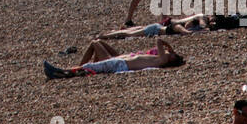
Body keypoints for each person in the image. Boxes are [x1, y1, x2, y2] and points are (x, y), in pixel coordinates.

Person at [43, 38, 185, 77]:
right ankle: (68, 71)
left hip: (121, 64)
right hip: (121, 62)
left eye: (172, 53)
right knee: (92, 66)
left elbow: (159, 41)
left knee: (90, 65)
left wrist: (169, 48)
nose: (169, 52)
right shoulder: (160, 60)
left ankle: (61, 72)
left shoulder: (163, 59)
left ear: (172, 58)